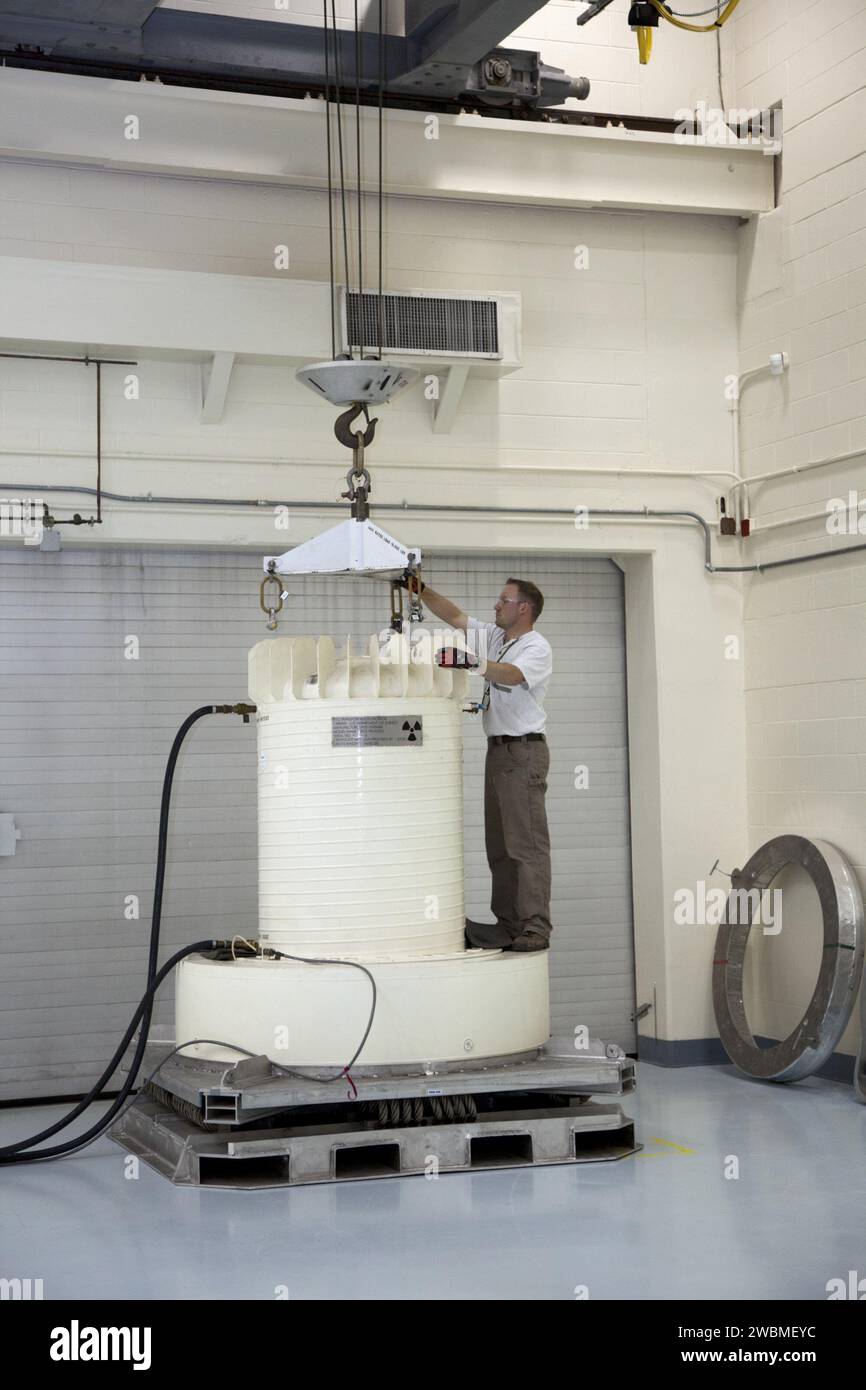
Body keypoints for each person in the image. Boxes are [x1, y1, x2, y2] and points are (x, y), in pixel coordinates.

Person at [414, 575, 554, 952]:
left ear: (524, 608)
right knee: (501, 847)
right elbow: (456, 616)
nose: (496, 605)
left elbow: (512, 675)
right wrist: (419, 589)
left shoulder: (535, 647)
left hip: (523, 752)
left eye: (503, 600)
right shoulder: (496, 637)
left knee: (525, 845)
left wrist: (472, 663)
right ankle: (509, 925)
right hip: (498, 751)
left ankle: (535, 927)